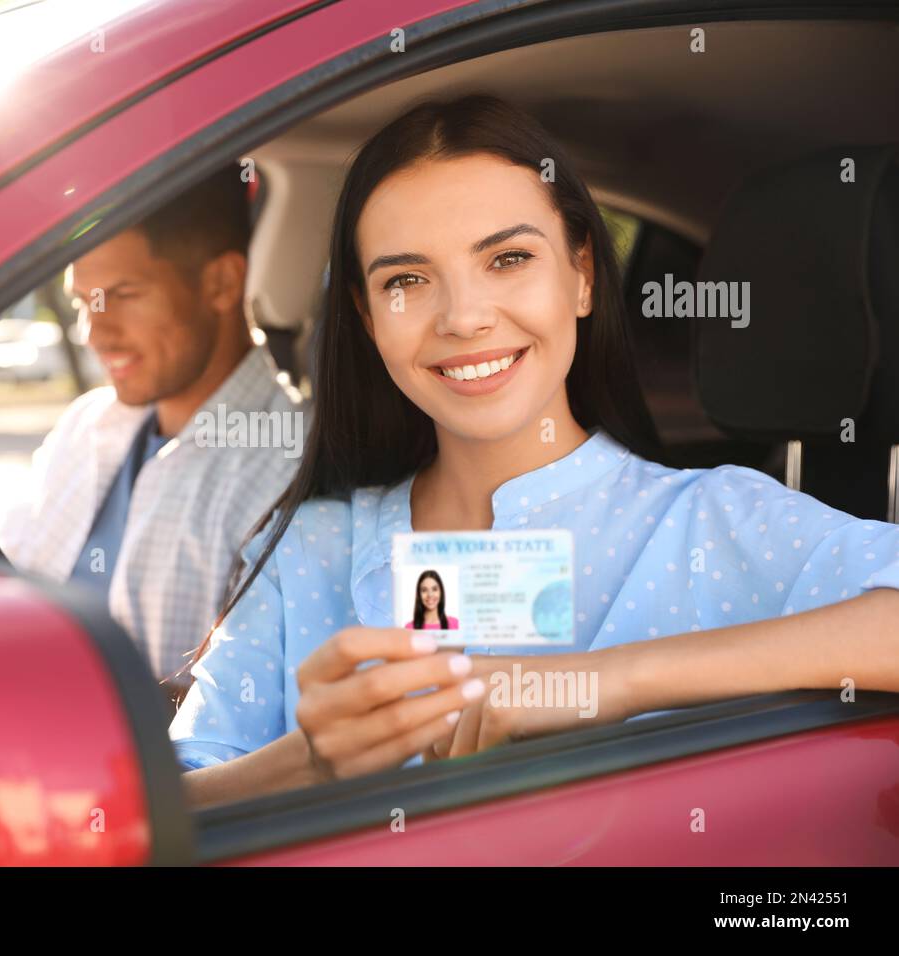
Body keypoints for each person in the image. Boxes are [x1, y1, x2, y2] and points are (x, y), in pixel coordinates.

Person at [169, 95, 899, 807]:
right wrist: (310, 766)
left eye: (509, 258)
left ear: (581, 273)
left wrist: (599, 683)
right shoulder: (307, 553)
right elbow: (164, 809)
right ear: (365, 316)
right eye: (407, 280)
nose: (464, 317)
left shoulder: (715, 523)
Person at [0, 165, 307, 696]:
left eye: (124, 294)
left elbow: (232, 718)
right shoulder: (88, 424)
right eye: (82, 302)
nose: (95, 333)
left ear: (222, 283)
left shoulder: (289, 465)